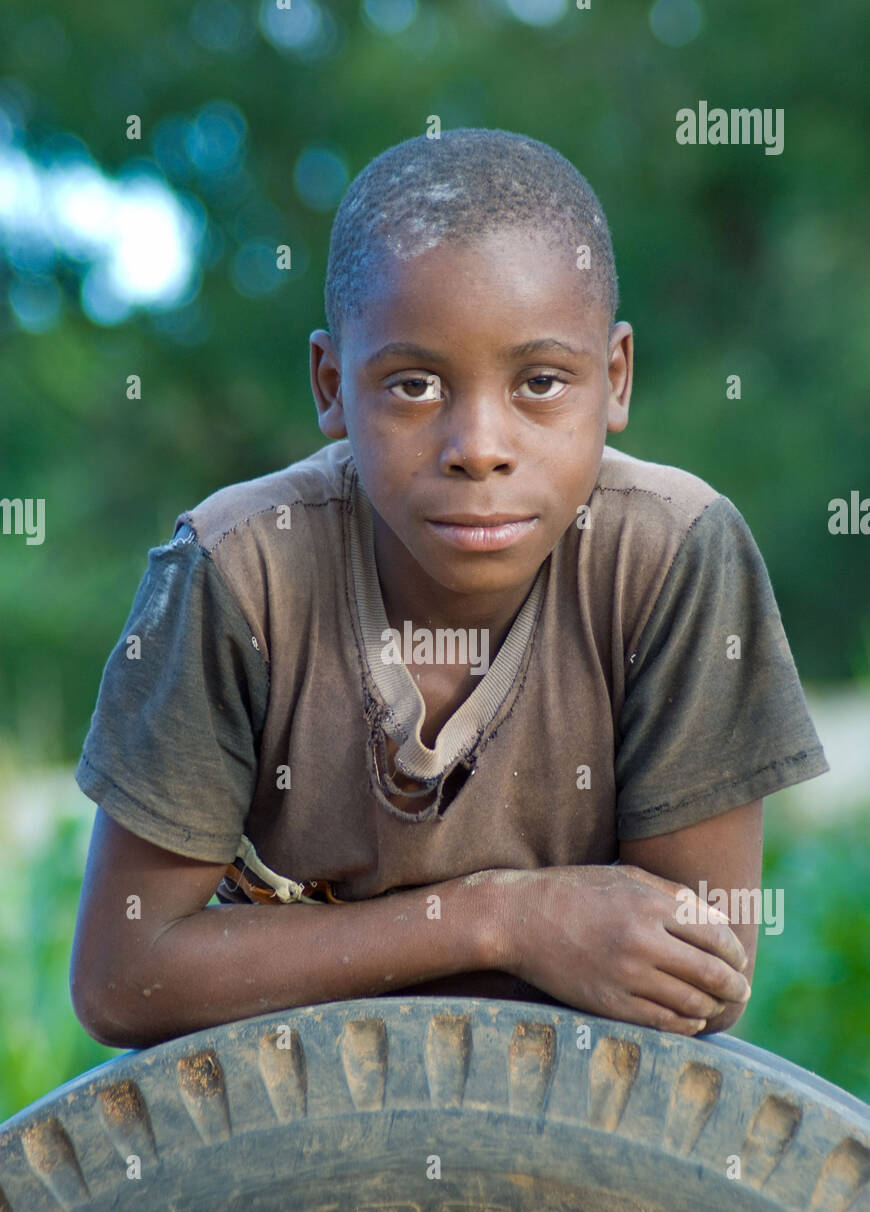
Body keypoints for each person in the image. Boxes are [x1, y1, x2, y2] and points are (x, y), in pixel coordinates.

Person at [70, 128, 828, 1050]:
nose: (478, 445)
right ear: (331, 384)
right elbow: (122, 976)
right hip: (282, 1135)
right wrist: (502, 919)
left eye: (542, 382)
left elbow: (695, 979)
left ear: (616, 379)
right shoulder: (240, 572)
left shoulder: (672, 560)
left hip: (585, 1123)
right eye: (414, 384)